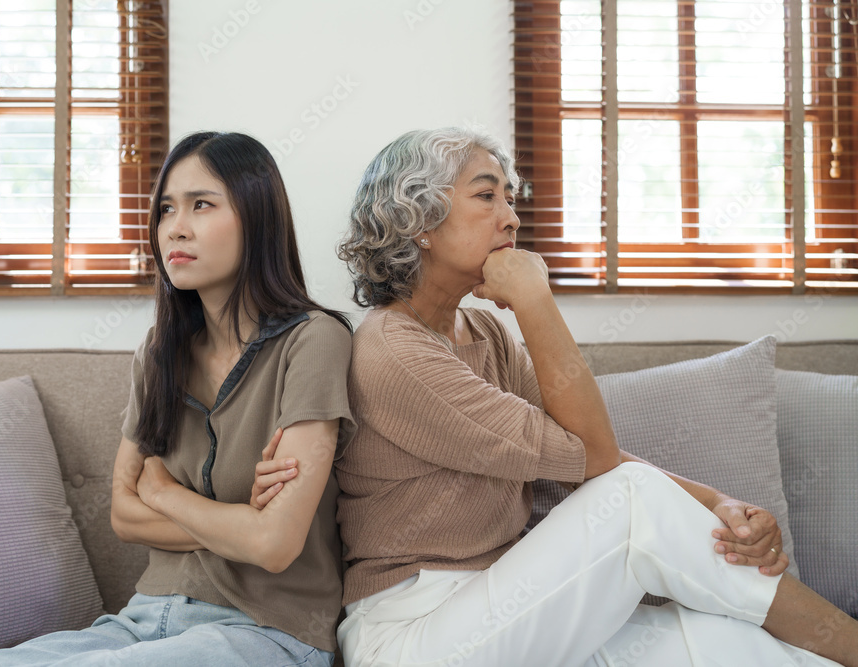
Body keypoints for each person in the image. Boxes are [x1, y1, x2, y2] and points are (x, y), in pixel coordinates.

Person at [332, 127, 858, 666]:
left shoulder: (483, 333)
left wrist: (717, 503)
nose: (511, 217)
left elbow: (583, 459)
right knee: (629, 496)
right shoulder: (393, 351)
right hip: (414, 632)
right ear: (417, 220)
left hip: (515, 607)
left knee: (737, 645)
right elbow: (601, 458)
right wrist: (535, 298)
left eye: (510, 199)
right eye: (486, 195)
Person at [0, 131, 355, 666]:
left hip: (265, 631)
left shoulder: (314, 340)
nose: (175, 228)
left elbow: (275, 546)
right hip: (142, 621)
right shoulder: (160, 353)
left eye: (202, 205)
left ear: (258, 218)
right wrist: (239, 523)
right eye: (165, 209)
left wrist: (162, 493)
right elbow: (123, 515)